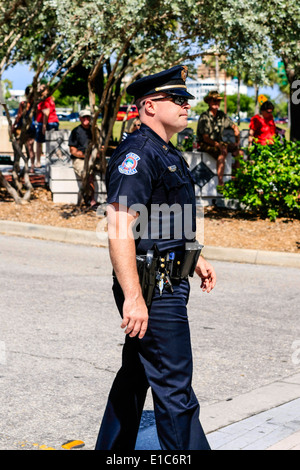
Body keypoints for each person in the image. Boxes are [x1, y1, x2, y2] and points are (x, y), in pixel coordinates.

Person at [95, 65, 216, 451]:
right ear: (149, 106)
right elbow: (118, 224)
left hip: (168, 281)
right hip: (152, 289)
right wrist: (133, 297)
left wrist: (194, 257)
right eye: (177, 99)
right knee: (175, 388)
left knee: (137, 375)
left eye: (186, 99)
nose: (186, 106)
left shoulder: (166, 151)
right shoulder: (137, 153)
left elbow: (164, 220)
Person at [197, 90, 241, 186]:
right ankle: (220, 183)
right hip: (205, 144)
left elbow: (233, 126)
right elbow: (205, 138)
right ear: (209, 102)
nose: (217, 103)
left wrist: (237, 140)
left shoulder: (221, 115)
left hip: (220, 143)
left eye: (218, 101)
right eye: (214, 100)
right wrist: (219, 145)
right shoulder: (204, 117)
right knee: (222, 153)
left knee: (239, 152)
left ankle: (237, 178)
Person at [68, 109, 101, 209]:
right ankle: (90, 200)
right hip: (80, 159)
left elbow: (101, 146)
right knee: (87, 173)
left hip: (95, 158)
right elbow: (72, 150)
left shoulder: (95, 131)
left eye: (88, 117)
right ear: (80, 118)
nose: (86, 119)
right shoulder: (76, 131)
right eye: (84, 117)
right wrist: (85, 156)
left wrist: (98, 153)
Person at [13, 86, 36, 172]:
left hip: (22, 127)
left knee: (18, 147)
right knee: (30, 148)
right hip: (31, 127)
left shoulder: (23, 104)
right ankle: (31, 166)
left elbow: (19, 116)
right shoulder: (35, 104)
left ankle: (17, 166)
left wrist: (14, 125)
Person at [35, 84, 59, 168]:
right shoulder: (46, 99)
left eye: (42, 89)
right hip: (49, 122)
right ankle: (59, 158)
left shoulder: (45, 100)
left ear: (47, 91)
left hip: (47, 123)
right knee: (53, 142)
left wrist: (44, 125)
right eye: (39, 89)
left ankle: (39, 162)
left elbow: (46, 113)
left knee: (41, 143)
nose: (40, 90)